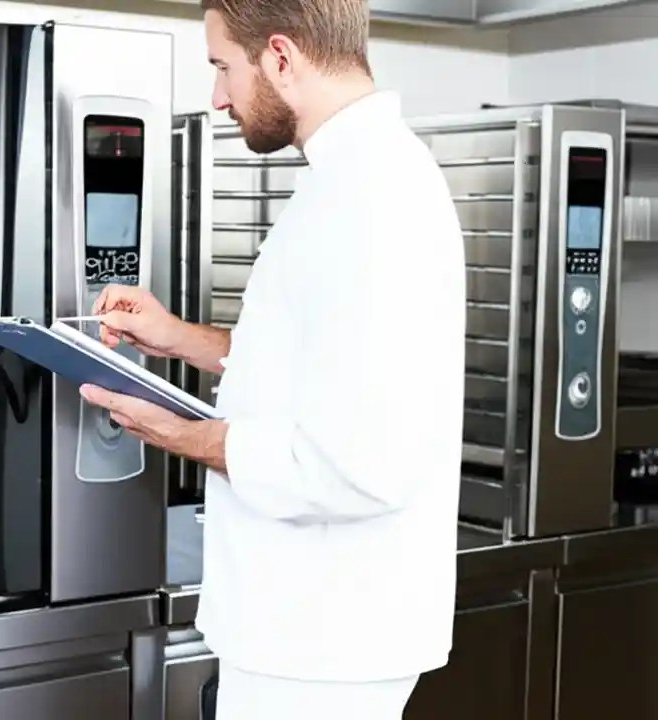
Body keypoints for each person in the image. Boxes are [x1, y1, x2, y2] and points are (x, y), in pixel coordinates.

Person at [78, 0, 466, 717]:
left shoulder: (377, 198)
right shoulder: (343, 180)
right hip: (302, 630)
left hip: (324, 639)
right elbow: (316, 362)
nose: (218, 96)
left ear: (281, 58)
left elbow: (363, 463)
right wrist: (176, 337)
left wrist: (175, 434)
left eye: (223, 66)